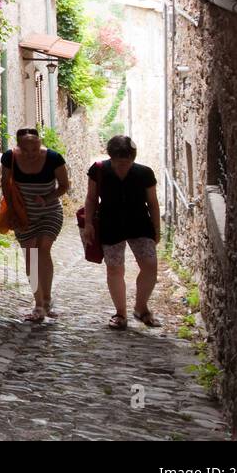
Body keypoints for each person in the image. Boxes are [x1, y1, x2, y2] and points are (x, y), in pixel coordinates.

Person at [83, 134, 162, 330]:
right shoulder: (98, 170)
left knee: (150, 265)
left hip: (140, 223)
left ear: (133, 159)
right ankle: (120, 313)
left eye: (127, 162)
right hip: (111, 223)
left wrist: (156, 228)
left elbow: (152, 203)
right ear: (111, 157)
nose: (123, 166)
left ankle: (141, 307)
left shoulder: (144, 173)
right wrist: (88, 224)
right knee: (115, 269)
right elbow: (91, 198)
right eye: (119, 163)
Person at [0, 127, 70, 322]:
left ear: (40, 144)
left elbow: (65, 185)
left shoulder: (54, 158)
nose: (31, 154)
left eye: (35, 149)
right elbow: (5, 183)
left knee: (43, 249)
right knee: (31, 254)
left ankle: (47, 300)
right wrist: (13, 210)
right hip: (24, 213)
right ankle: (38, 305)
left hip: (49, 210)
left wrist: (47, 198)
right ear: (18, 147)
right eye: (26, 150)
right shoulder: (9, 157)